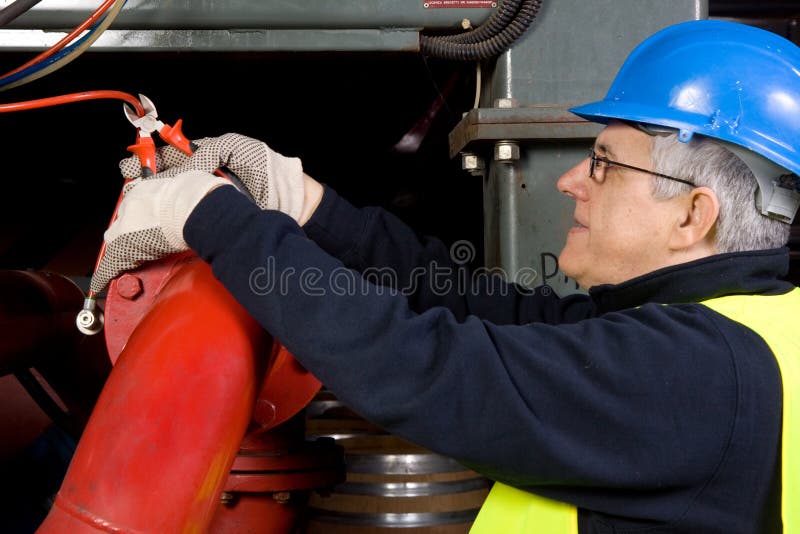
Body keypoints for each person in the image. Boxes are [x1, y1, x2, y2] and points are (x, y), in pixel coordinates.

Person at [91, 19, 800, 533]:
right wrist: (305, 206)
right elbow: (487, 308)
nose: (574, 180)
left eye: (608, 162)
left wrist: (213, 219)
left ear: (692, 216)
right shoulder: (732, 334)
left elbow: (420, 364)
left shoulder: (697, 371)